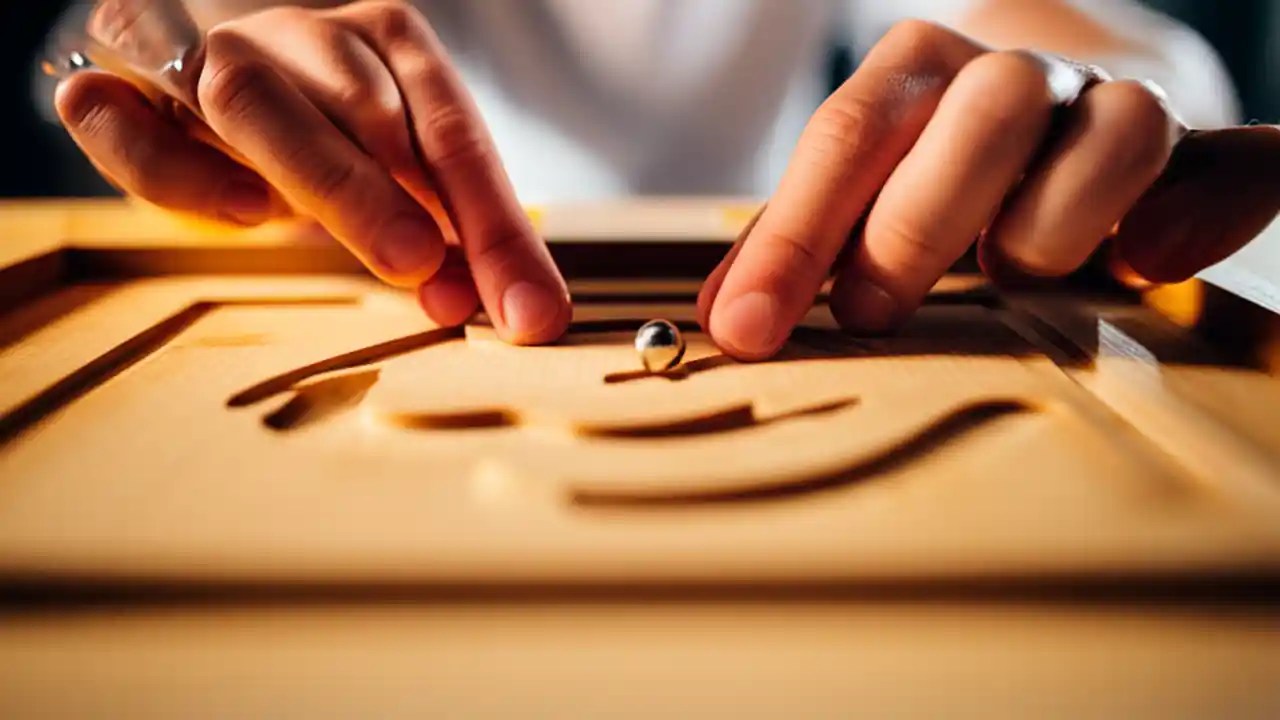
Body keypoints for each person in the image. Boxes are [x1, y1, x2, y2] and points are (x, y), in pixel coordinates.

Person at [52, 0, 1280, 359]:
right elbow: (125, 36)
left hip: (796, 282)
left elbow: (1108, 45)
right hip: (380, 283)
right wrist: (205, 52)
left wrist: (1080, 100)